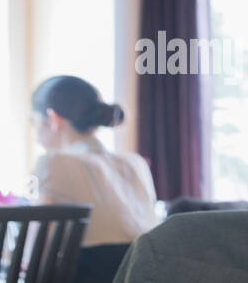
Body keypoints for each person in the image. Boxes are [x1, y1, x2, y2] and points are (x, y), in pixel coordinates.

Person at [31, 75, 157, 244]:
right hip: (145, 268)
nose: (35, 135)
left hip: (87, 269)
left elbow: (35, 252)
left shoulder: (54, 162)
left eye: (33, 121)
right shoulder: (135, 162)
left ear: (54, 119)